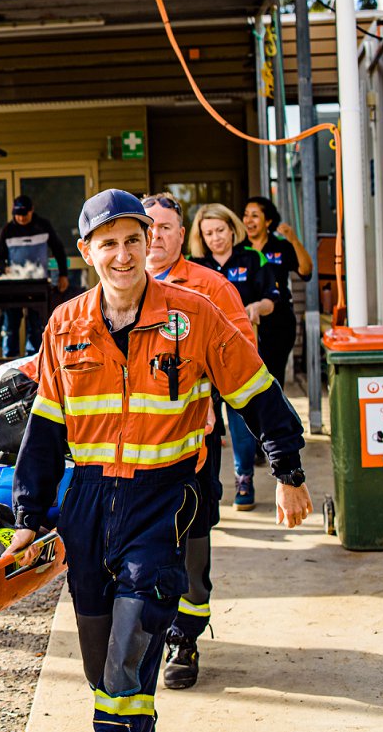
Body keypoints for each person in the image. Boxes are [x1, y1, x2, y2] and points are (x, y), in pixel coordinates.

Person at [5, 190, 310, 732]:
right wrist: (28, 517)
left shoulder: (194, 315)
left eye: (132, 241)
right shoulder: (65, 325)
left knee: (129, 655)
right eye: (108, 244)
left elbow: (256, 391)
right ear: (86, 251)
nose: (122, 255)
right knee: (102, 665)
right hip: (89, 504)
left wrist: (287, 471)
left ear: (149, 242)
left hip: (161, 502)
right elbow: (46, 427)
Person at [142, 193, 255, 691]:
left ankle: (184, 635)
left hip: (194, 446)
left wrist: (208, 389)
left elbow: (243, 354)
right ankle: (147, 628)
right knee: (141, 538)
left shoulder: (210, 287)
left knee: (191, 537)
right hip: (136, 446)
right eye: (148, 227)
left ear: (180, 233)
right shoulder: (120, 287)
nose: (156, 236)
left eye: (166, 227)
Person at [189, 203, 279, 511]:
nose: (215, 238)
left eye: (220, 231)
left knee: (241, 417)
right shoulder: (192, 266)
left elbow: (272, 298)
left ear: (232, 229)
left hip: (241, 351)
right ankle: (203, 486)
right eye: (208, 233)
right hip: (201, 360)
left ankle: (244, 477)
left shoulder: (253, 258)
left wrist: (255, 308)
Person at [243, 197, 313, 385]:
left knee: (273, 377)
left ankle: (274, 414)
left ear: (268, 221)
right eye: (246, 215)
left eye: (255, 216)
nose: (248, 220)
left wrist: (293, 240)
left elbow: (306, 272)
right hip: (247, 320)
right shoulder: (240, 249)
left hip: (279, 320)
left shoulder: (280, 247)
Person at [0, 194, 70, 356]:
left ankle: (35, 357)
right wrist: (5, 269)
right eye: (17, 214)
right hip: (14, 282)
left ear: (31, 210)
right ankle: (9, 357)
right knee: (11, 324)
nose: (21, 218)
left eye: (24, 214)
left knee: (36, 324)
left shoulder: (43, 226)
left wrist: (63, 274)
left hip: (38, 282)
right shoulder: (8, 230)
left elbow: (59, 250)